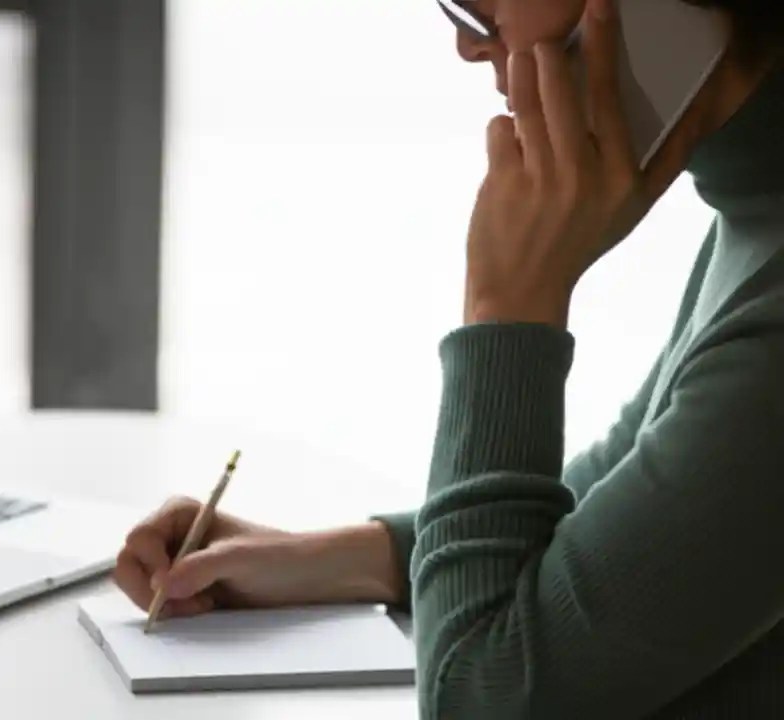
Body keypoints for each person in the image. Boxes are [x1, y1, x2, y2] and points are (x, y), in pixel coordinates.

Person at [113, 0, 784, 716]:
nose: (468, 42)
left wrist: (509, 305)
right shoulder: (756, 205)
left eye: (479, 6)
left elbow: (475, 697)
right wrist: (330, 559)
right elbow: (630, 486)